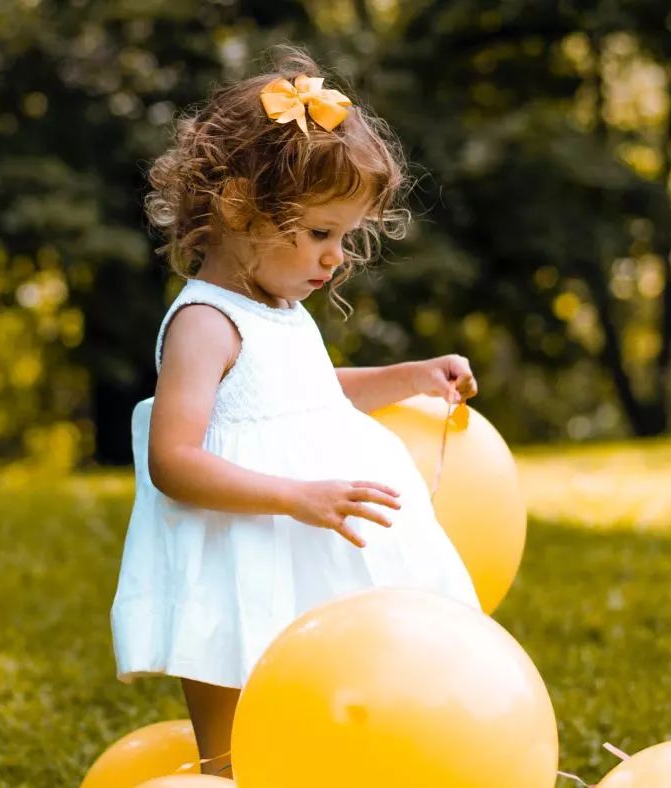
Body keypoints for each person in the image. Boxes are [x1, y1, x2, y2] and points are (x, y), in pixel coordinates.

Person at [110, 46, 481, 779]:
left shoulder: (277, 308)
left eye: (343, 237)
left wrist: (409, 377)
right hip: (237, 562)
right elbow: (174, 460)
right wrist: (296, 497)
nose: (336, 257)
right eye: (319, 234)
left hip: (307, 554)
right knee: (237, 750)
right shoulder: (205, 322)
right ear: (241, 209)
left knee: (331, 721)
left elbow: (309, 397)